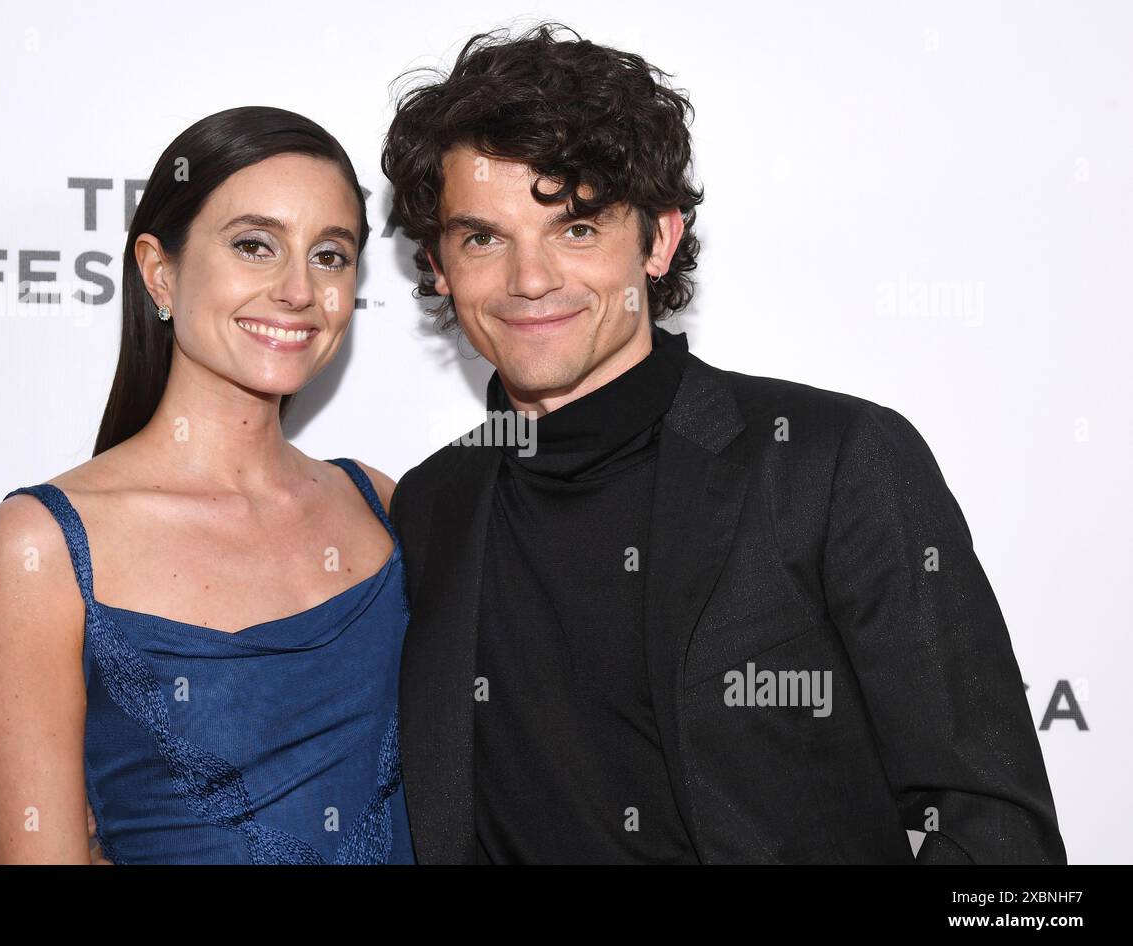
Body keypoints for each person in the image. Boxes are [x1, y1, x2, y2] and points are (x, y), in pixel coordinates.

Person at [380, 22, 1066, 863]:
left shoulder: (833, 461)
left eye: (577, 226)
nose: (530, 279)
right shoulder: (429, 507)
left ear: (659, 240)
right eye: (483, 237)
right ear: (440, 265)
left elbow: (998, 834)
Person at [0, 106, 413, 864]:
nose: (298, 289)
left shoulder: (382, 505)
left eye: (330, 255)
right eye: (254, 245)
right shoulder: (40, 547)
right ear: (158, 271)